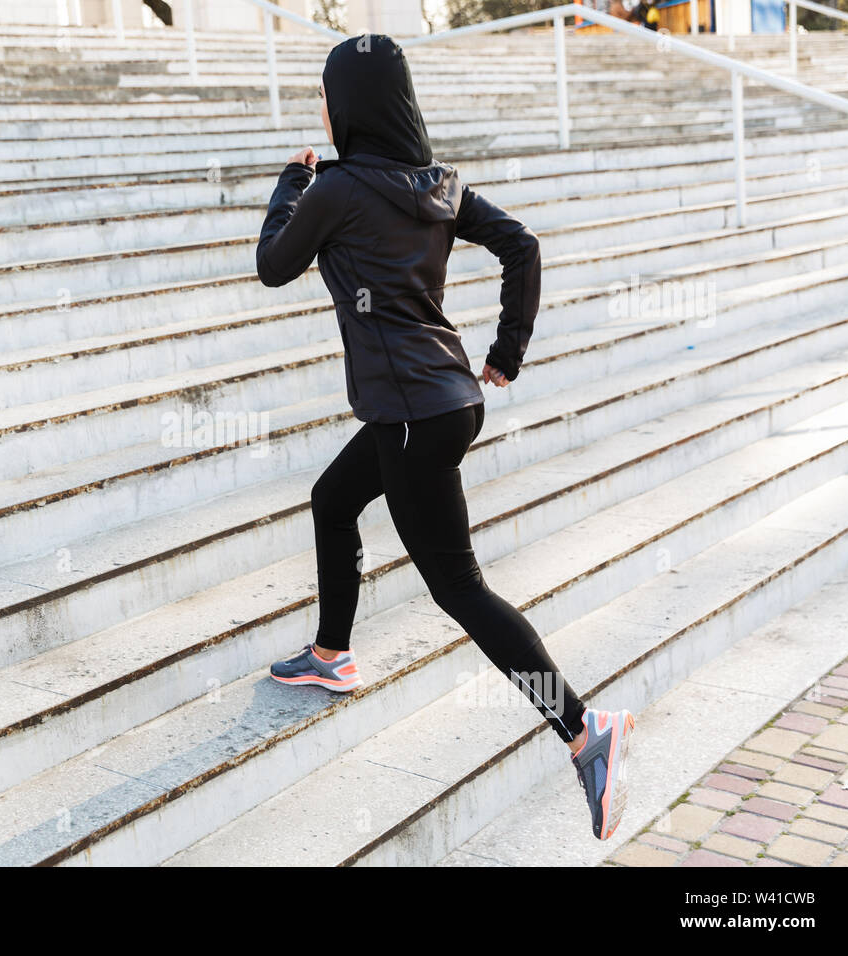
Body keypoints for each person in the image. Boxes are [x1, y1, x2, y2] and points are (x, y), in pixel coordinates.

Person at [254, 34, 634, 841]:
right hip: (447, 401)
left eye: (326, 96)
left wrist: (292, 181)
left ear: (346, 106)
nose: (322, 110)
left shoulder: (336, 189)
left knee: (459, 590)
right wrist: (506, 352)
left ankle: (581, 728)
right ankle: (331, 652)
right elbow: (520, 245)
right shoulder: (439, 186)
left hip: (408, 417)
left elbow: (273, 264)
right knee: (332, 499)